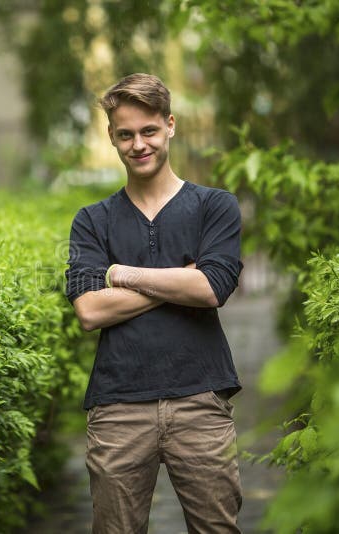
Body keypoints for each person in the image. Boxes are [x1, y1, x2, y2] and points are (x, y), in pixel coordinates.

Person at [65, 73, 244, 533]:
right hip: (118, 405)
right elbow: (89, 311)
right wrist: (181, 278)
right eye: (125, 134)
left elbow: (211, 290)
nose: (138, 144)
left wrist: (122, 274)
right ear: (111, 137)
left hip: (201, 397)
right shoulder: (92, 221)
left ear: (170, 125)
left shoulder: (214, 207)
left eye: (148, 131)